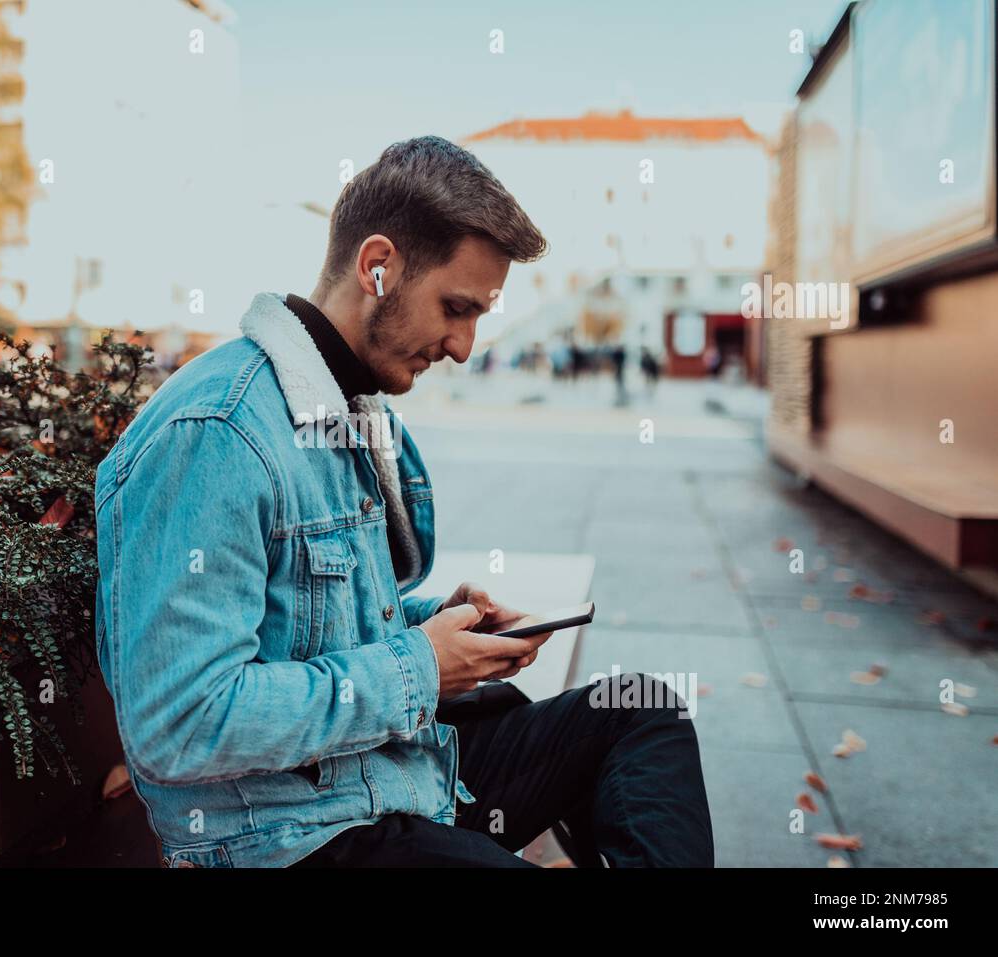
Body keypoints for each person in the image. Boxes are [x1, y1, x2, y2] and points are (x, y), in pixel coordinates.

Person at [94, 136, 714, 868]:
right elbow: (181, 723)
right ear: (378, 266)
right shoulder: (218, 434)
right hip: (296, 836)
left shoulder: (348, 405)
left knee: (644, 710)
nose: (463, 345)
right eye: (456, 307)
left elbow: (308, 625)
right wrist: (420, 665)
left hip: (390, 772)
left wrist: (439, 624)